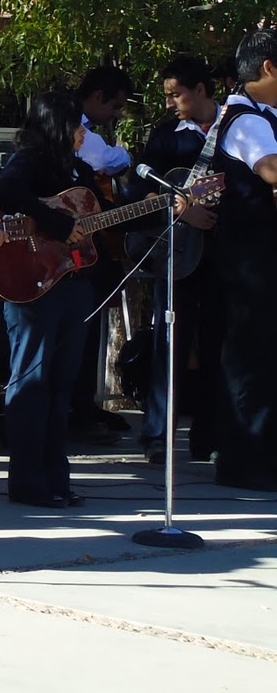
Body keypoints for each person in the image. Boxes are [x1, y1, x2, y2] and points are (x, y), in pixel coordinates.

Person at [0, 92, 101, 508]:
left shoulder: (77, 168)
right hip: (34, 282)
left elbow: (101, 214)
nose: (82, 133)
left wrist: (155, 205)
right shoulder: (30, 158)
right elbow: (4, 190)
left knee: (62, 383)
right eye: (76, 125)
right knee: (33, 380)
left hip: (72, 281)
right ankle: (26, 479)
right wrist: (56, 223)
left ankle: (56, 475)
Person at [138, 56, 220, 466]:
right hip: (180, 252)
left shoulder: (239, 126)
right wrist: (182, 209)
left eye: (177, 95)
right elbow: (145, 193)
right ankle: (157, 434)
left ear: (201, 90)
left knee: (219, 347)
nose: (171, 103)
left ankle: (210, 435)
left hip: (227, 254)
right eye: (167, 96)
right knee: (169, 343)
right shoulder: (167, 135)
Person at [205, 30, 277, 491]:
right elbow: (271, 170)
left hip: (258, 256)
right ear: (268, 68)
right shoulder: (249, 120)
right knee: (252, 358)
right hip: (250, 258)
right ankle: (245, 462)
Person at [72, 64, 135, 437]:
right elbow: (109, 160)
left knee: (89, 332)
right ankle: (77, 411)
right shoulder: (79, 133)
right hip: (72, 254)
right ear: (97, 97)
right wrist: (123, 156)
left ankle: (85, 405)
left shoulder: (87, 131)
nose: (115, 115)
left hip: (89, 251)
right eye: (114, 107)